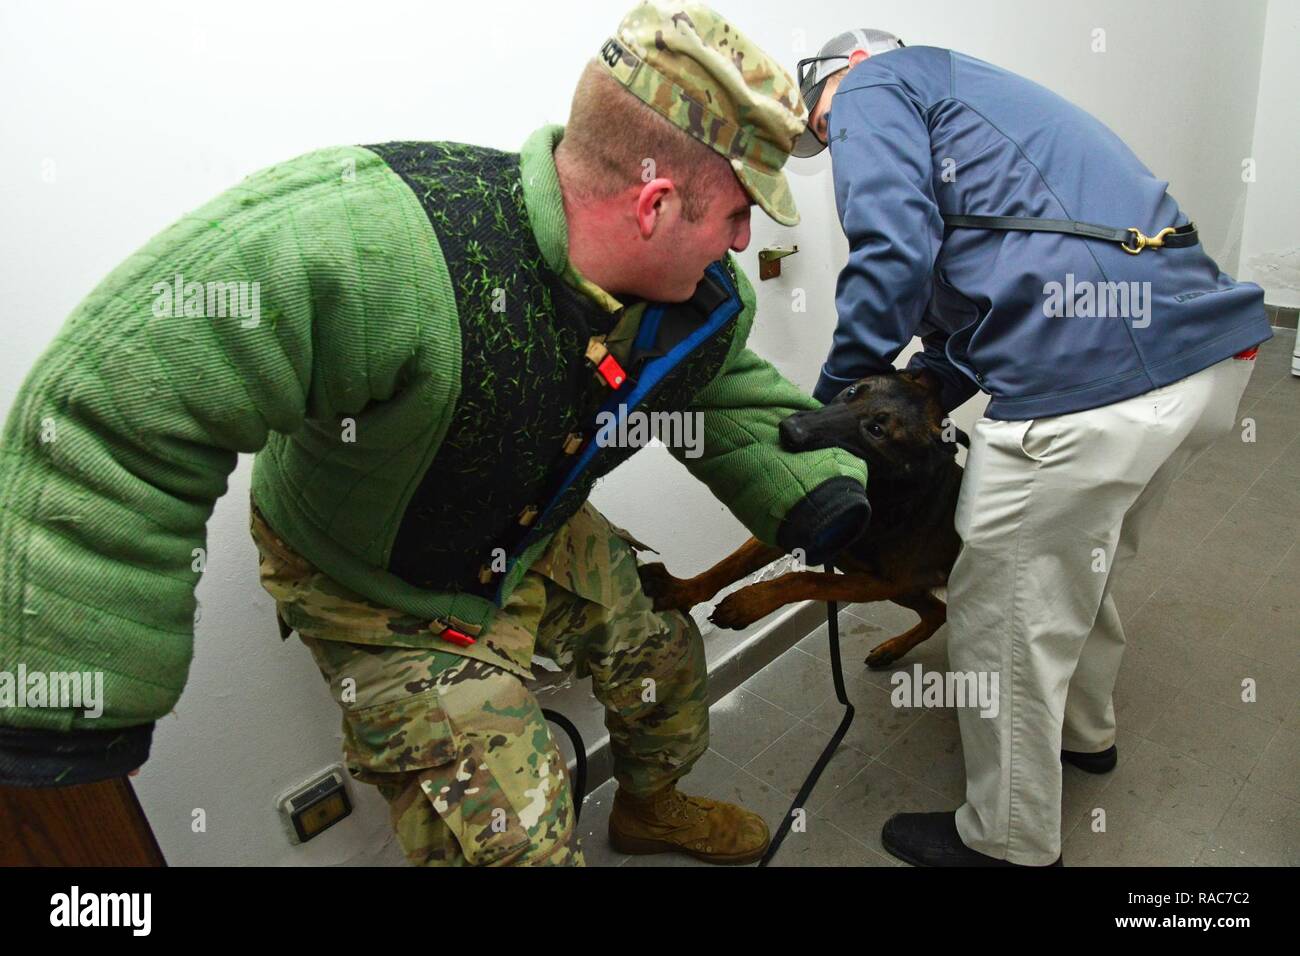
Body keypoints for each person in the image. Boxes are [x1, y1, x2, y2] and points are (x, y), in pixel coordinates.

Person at [0, 3, 873, 866]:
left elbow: (715, 384)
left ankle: (651, 809)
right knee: (515, 849)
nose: (743, 241)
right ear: (655, 204)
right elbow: (114, 402)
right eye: (735, 215)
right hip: (373, 578)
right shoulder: (394, 247)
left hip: (521, 524)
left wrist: (817, 490)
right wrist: (73, 692)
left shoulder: (699, 301)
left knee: (666, 657)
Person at [792, 28, 1272, 866]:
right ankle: (1085, 732)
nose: (835, 143)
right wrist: (923, 385)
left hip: (1097, 382)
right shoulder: (977, 110)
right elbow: (968, 321)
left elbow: (893, 253)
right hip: (1200, 360)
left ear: (847, 69)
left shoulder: (875, 84)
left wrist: (830, 408)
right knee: (1076, 564)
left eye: (824, 127)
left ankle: (1007, 839)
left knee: (999, 608)